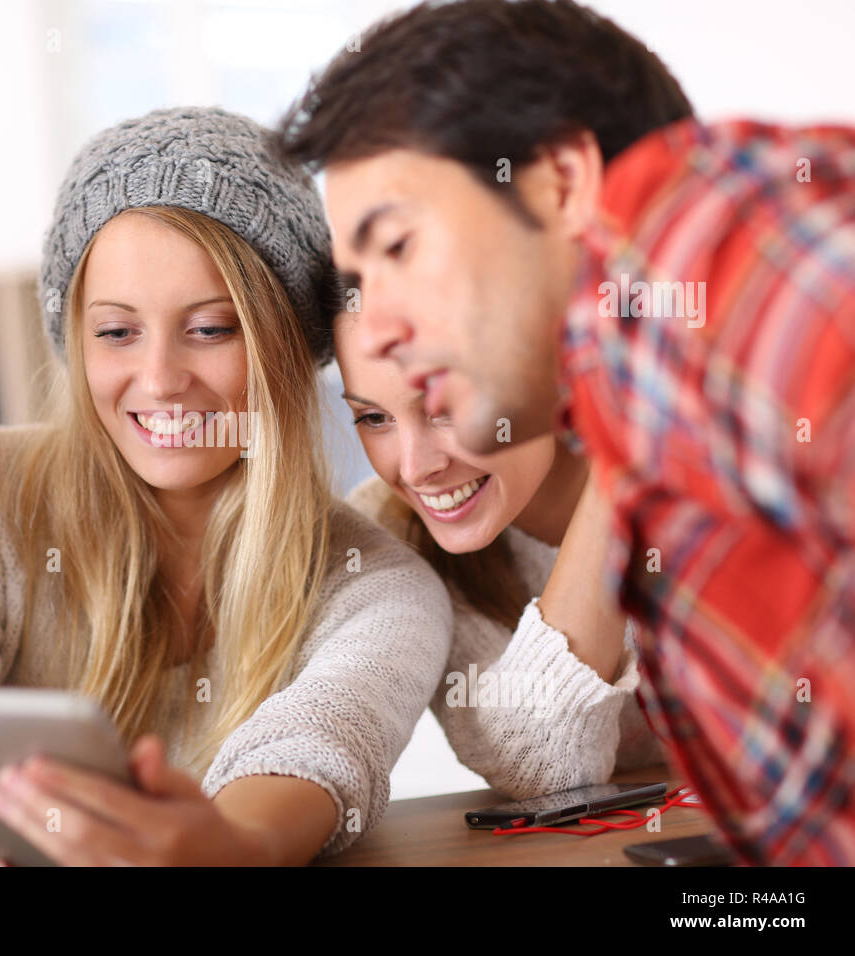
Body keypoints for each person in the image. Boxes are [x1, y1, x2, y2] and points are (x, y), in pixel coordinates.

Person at [277, 0, 855, 863]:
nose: (380, 326)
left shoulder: (734, 265)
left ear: (561, 184)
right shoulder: (655, 425)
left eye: (397, 247)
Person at [0, 106, 450, 866]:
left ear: (286, 346)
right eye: (118, 332)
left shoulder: (381, 591)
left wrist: (231, 847)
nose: (159, 382)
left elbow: (318, 747)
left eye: (211, 328)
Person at [336, 311, 664, 797]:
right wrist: (616, 463)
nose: (415, 467)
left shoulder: (707, 465)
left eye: (446, 406)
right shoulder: (389, 531)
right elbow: (537, 764)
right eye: (374, 418)